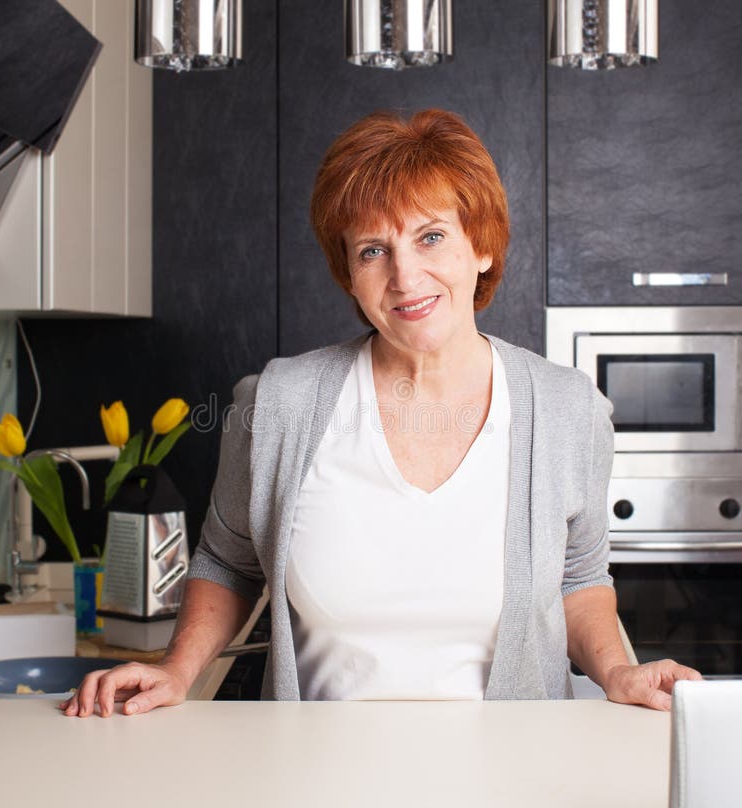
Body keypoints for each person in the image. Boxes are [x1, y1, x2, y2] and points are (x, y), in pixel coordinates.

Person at [61, 109, 700, 718]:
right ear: (349, 275)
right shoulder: (277, 404)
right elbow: (228, 563)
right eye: (372, 250)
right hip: (316, 779)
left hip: (515, 778)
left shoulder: (568, 411)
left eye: (431, 237)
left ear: (480, 246)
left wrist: (617, 671)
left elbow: (579, 578)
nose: (404, 275)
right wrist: (177, 670)